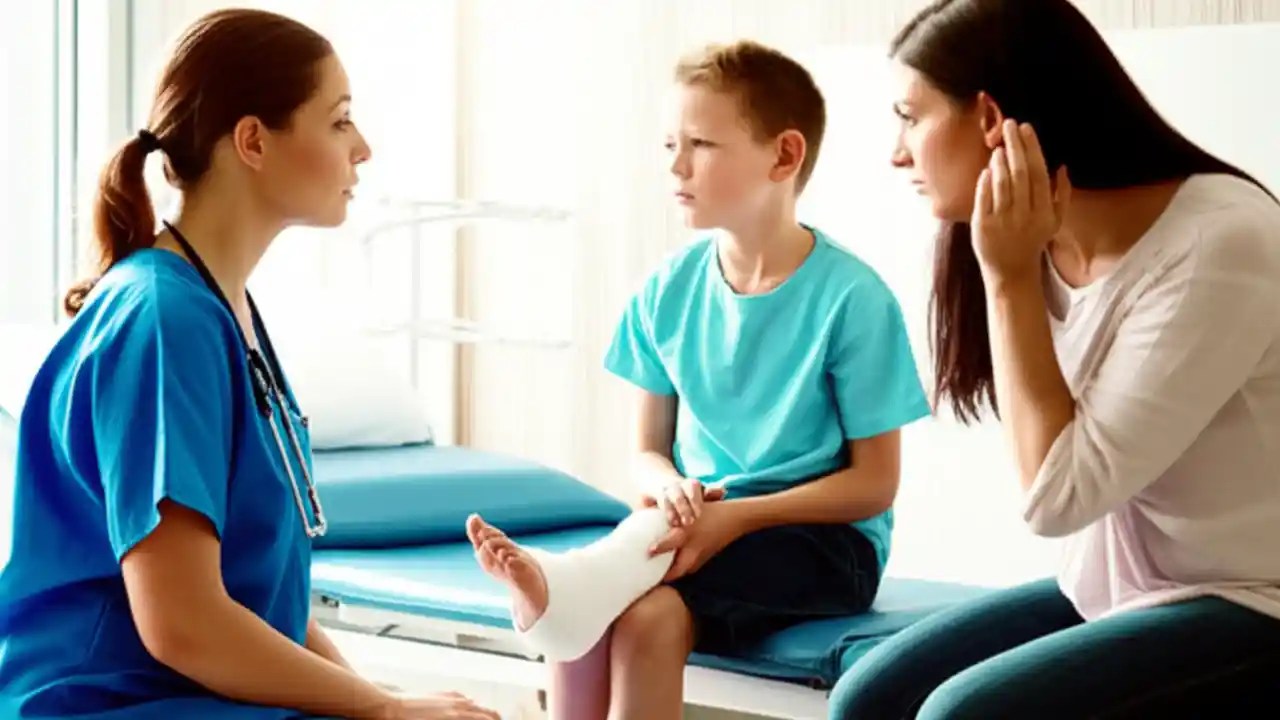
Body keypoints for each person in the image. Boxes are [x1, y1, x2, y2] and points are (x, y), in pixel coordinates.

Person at [0, 9, 497, 720]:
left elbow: (259, 602)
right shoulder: (163, 321)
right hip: (115, 703)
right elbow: (184, 624)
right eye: (339, 120)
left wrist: (383, 702)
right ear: (254, 141)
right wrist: (383, 712)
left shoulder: (219, 309)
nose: (363, 148)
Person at [829, 0, 1280, 717]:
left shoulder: (1219, 245)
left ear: (987, 118)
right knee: (868, 697)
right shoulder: (1027, 234)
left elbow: (1057, 498)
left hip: (1250, 601)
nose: (897, 151)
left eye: (910, 117)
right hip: (1115, 590)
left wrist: (1006, 279)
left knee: (960, 714)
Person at [466, 40, 931, 719]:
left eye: (702, 145)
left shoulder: (853, 299)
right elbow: (645, 453)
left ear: (784, 155)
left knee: (601, 603)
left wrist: (735, 517)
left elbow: (873, 485)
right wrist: (670, 488)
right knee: (642, 618)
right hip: (692, 526)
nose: (677, 167)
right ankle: (574, 595)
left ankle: (572, 590)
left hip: (823, 543)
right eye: (668, 145)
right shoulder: (668, 289)